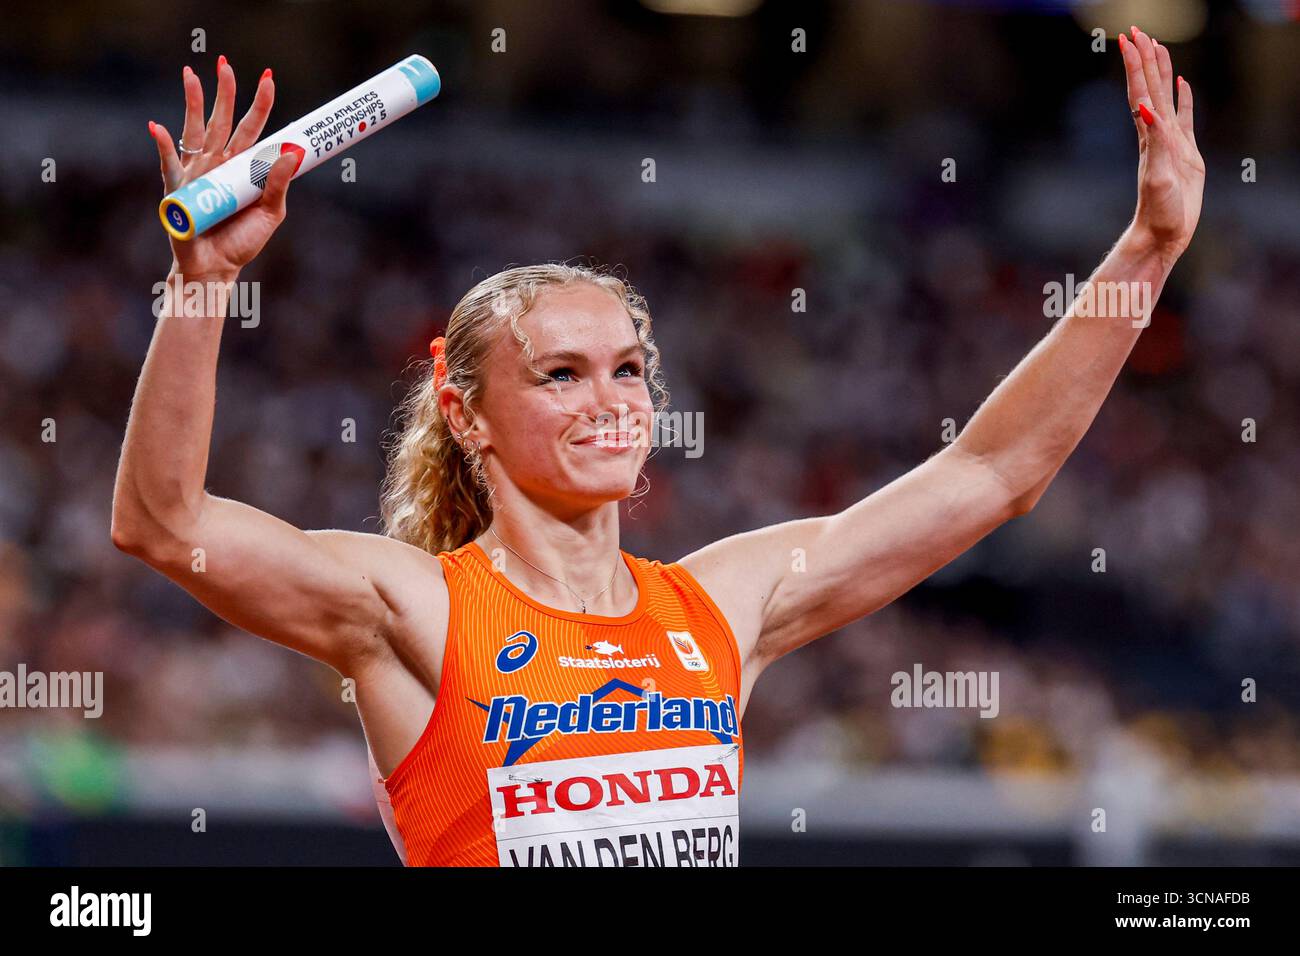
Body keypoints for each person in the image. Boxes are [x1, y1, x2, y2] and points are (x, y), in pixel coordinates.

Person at [112, 27, 1203, 866]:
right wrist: (201, 286)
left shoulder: (715, 609)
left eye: (628, 367)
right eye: (560, 373)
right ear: (466, 415)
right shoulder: (417, 608)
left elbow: (990, 471)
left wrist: (1148, 248)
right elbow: (165, 524)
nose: (612, 400)